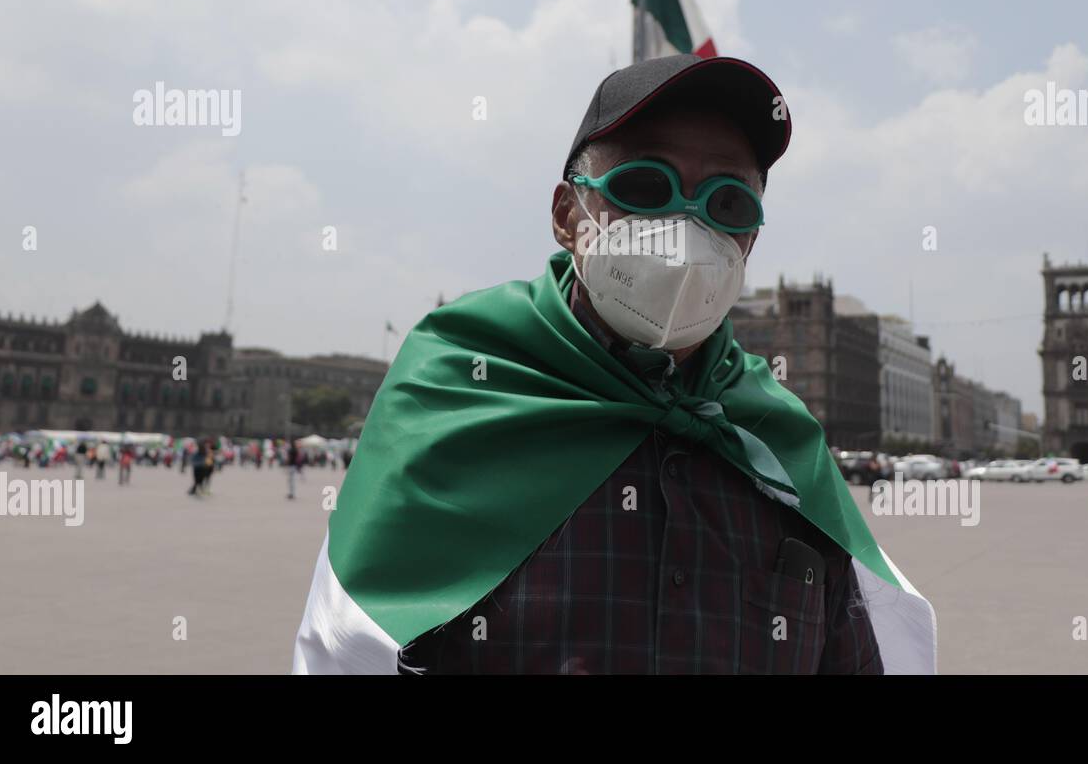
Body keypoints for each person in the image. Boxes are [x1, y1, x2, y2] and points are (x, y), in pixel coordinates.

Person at [293, 54, 936, 675]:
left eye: (727, 203)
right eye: (644, 187)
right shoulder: (458, 393)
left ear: (752, 239)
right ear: (568, 216)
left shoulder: (778, 444)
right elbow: (351, 647)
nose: (684, 227)